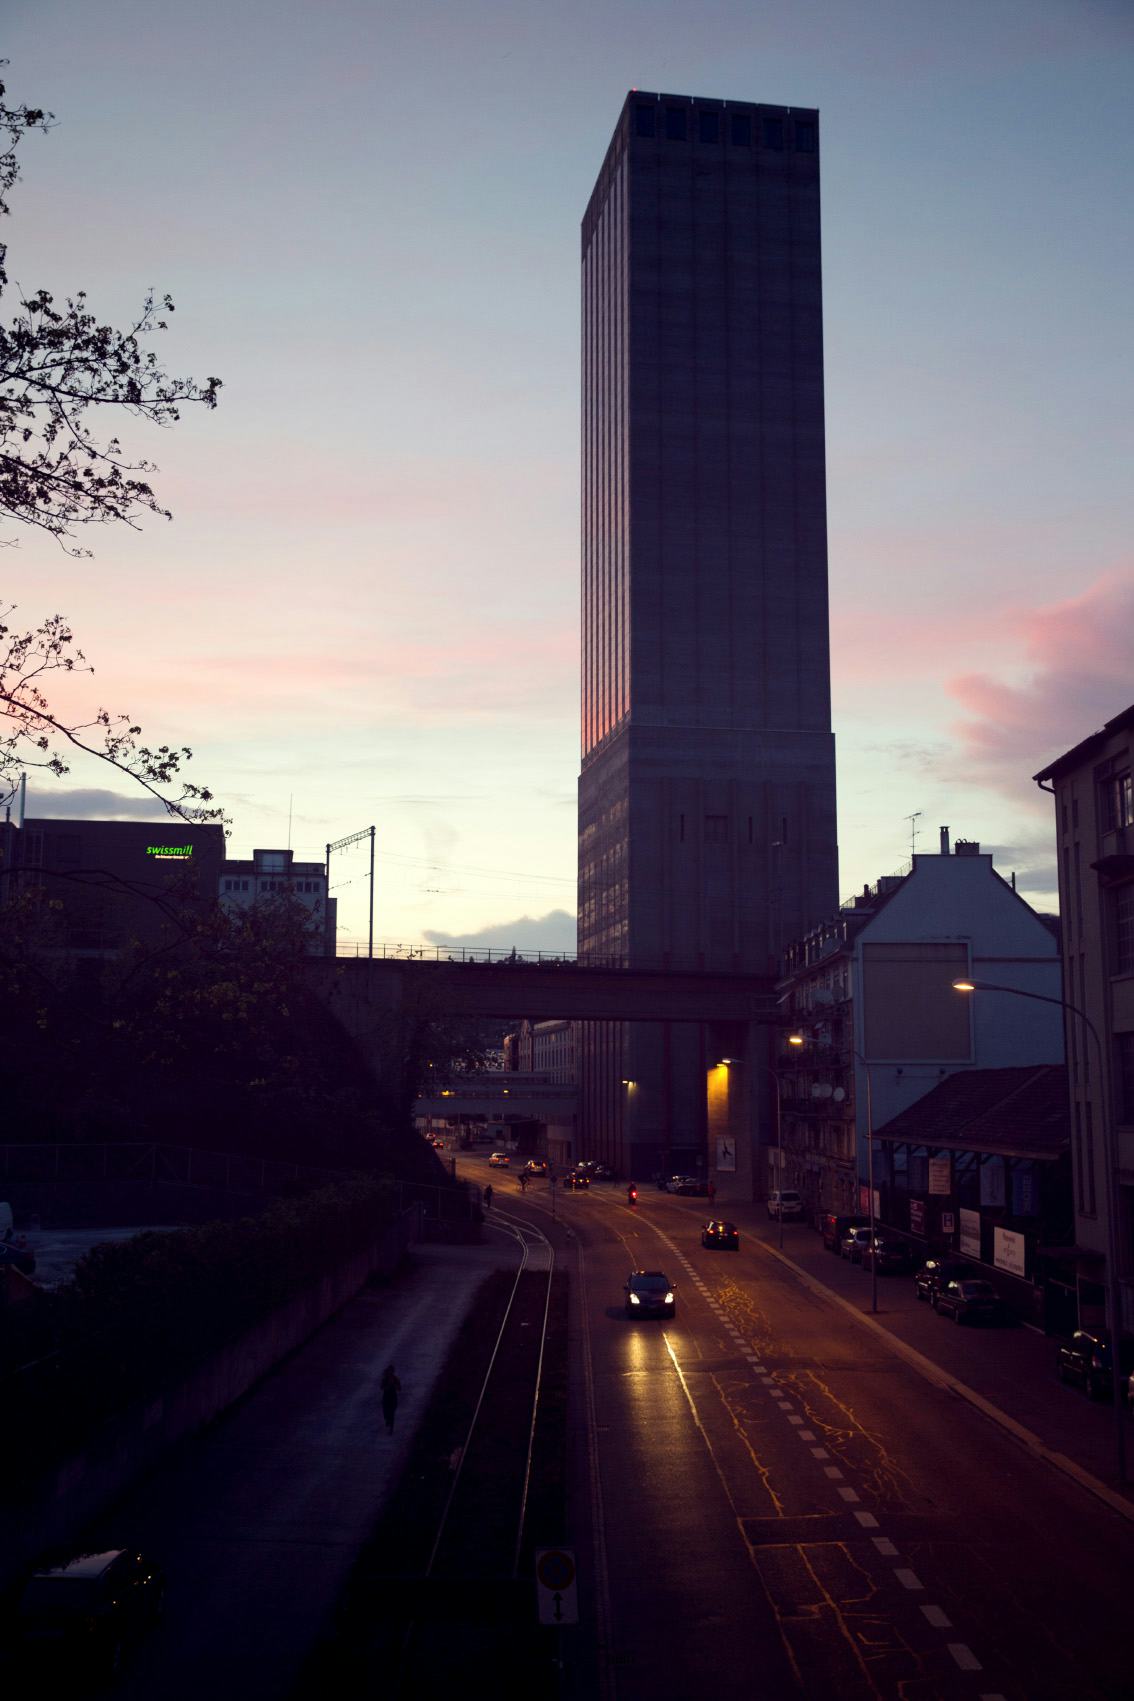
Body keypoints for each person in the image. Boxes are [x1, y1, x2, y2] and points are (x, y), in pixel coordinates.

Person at [380, 1364, 401, 1435]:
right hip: (386, 1398)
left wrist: (395, 1386)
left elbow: (399, 1388)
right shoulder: (385, 1379)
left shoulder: (396, 1379)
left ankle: (391, 1429)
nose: (390, 1372)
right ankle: (387, 1420)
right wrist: (387, 1386)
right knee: (385, 1412)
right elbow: (381, 1388)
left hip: (393, 1398)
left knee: (392, 1414)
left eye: (392, 1371)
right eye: (389, 1371)